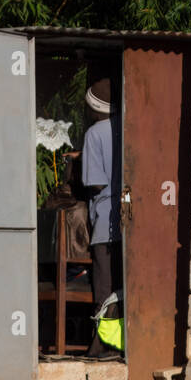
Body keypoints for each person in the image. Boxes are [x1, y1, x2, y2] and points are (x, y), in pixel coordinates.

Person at [81, 79, 123, 358]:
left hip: (106, 222)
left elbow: (95, 183)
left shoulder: (94, 133)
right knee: (122, 288)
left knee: (104, 289)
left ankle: (103, 346)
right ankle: (122, 344)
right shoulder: (127, 125)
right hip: (128, 219)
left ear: (96, 109)